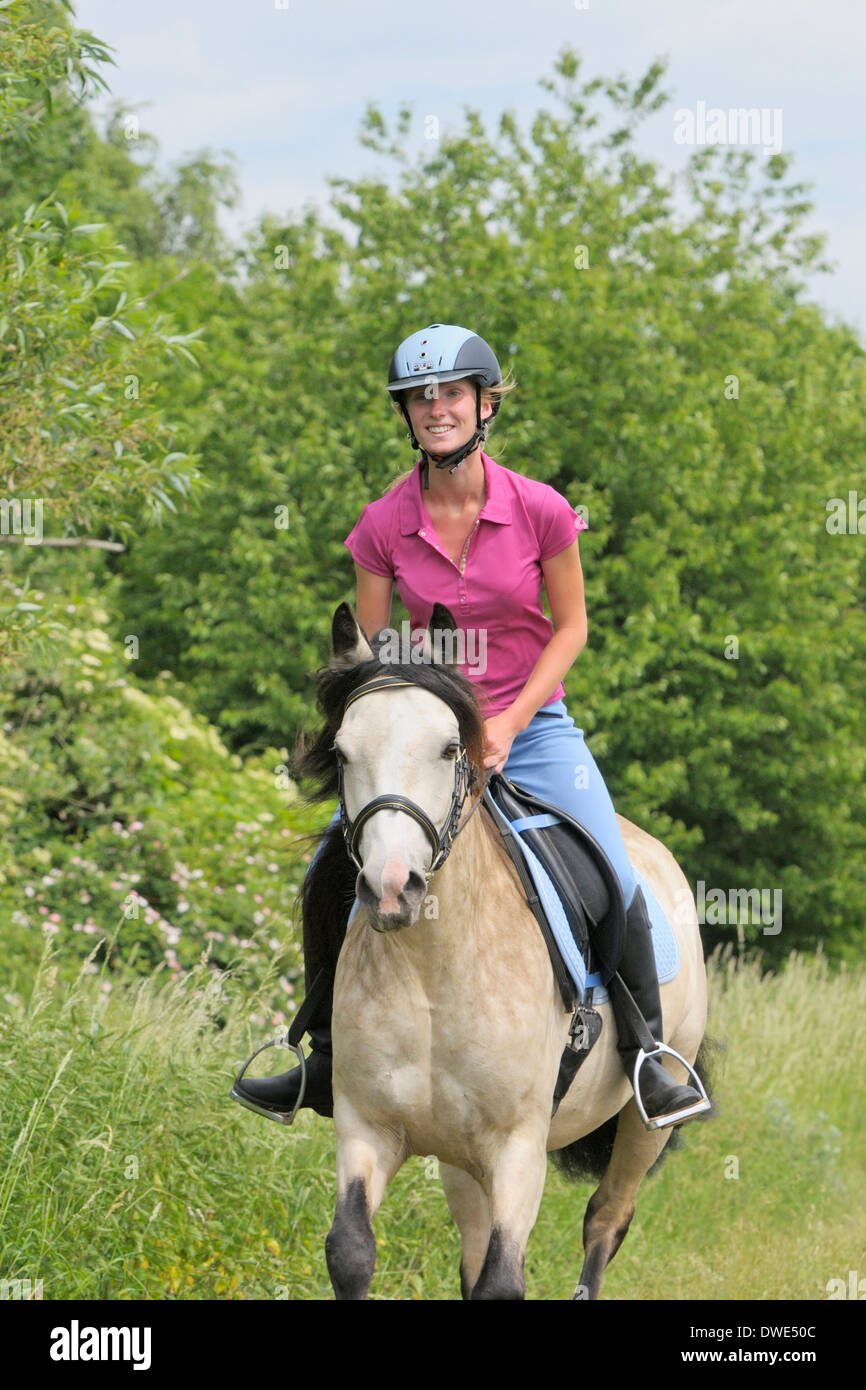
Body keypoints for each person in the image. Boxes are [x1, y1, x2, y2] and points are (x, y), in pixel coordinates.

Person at [233, 323, 706, 1129]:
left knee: (615, 874)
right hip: (425, 733)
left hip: (537, 725)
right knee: (330, 869)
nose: (435, 408)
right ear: (407, 416)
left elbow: (572, 629)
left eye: (450, 393)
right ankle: (319, 1054)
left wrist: (512, 722)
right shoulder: (382, 525)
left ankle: (649, 1055)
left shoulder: (542, 511)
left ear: (484, 404)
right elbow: (374, 660)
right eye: (420, 399)